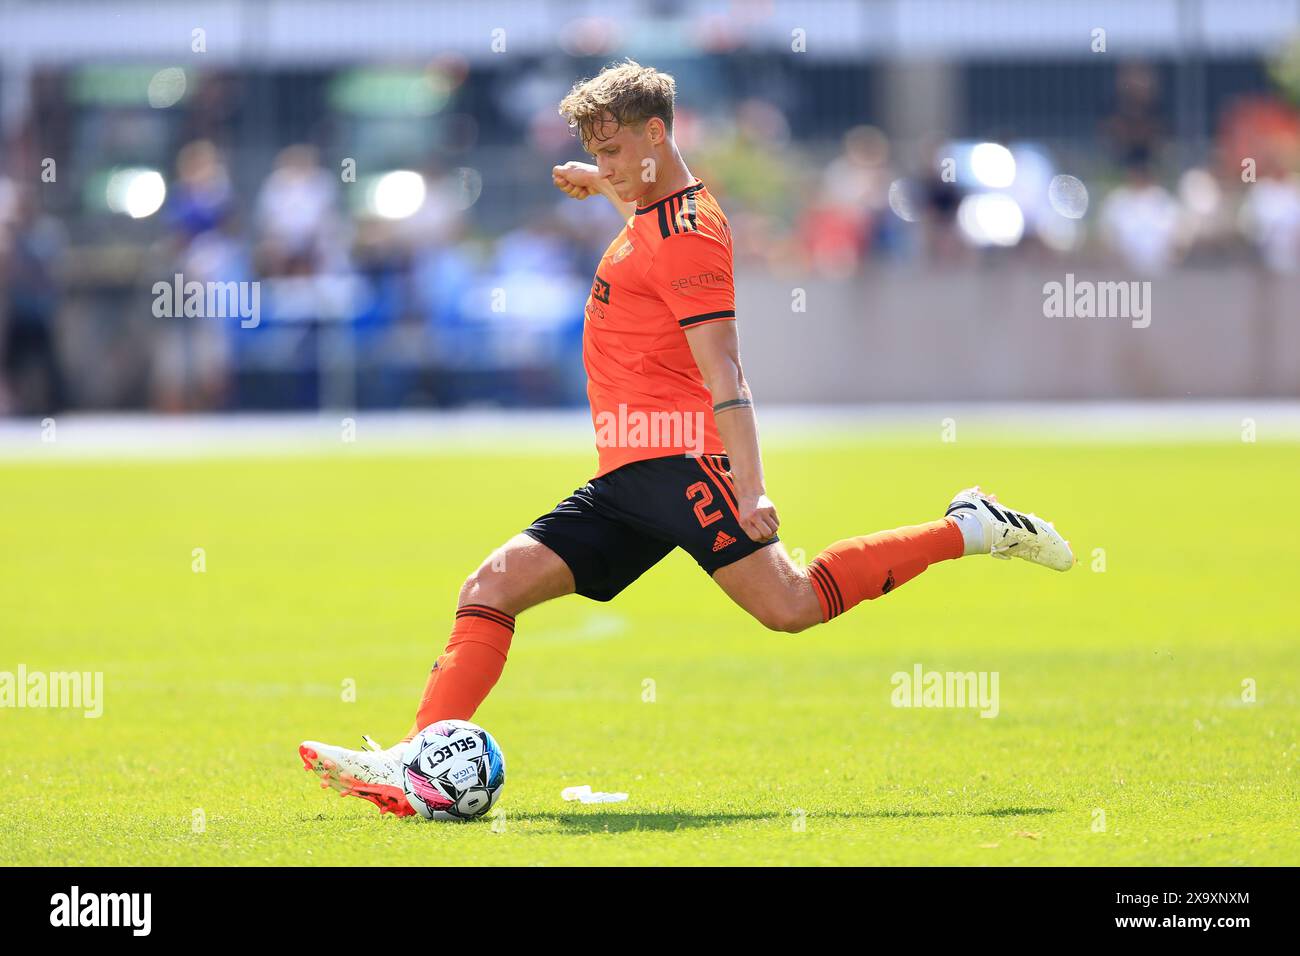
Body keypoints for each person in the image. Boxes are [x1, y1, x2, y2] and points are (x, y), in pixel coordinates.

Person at [299, 60, 1075, 816]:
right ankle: (414, 762)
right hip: (629, 473)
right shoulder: (650, 208)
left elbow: (726, 370)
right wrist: (601, 180)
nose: (604, 163)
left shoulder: (693, 234)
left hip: (677, 461)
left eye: (612, 149)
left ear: (657, 134)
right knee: (490, 586)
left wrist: (751, 485)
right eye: (596, 150)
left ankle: (966, 528)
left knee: (793, 605)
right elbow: (649, 240)